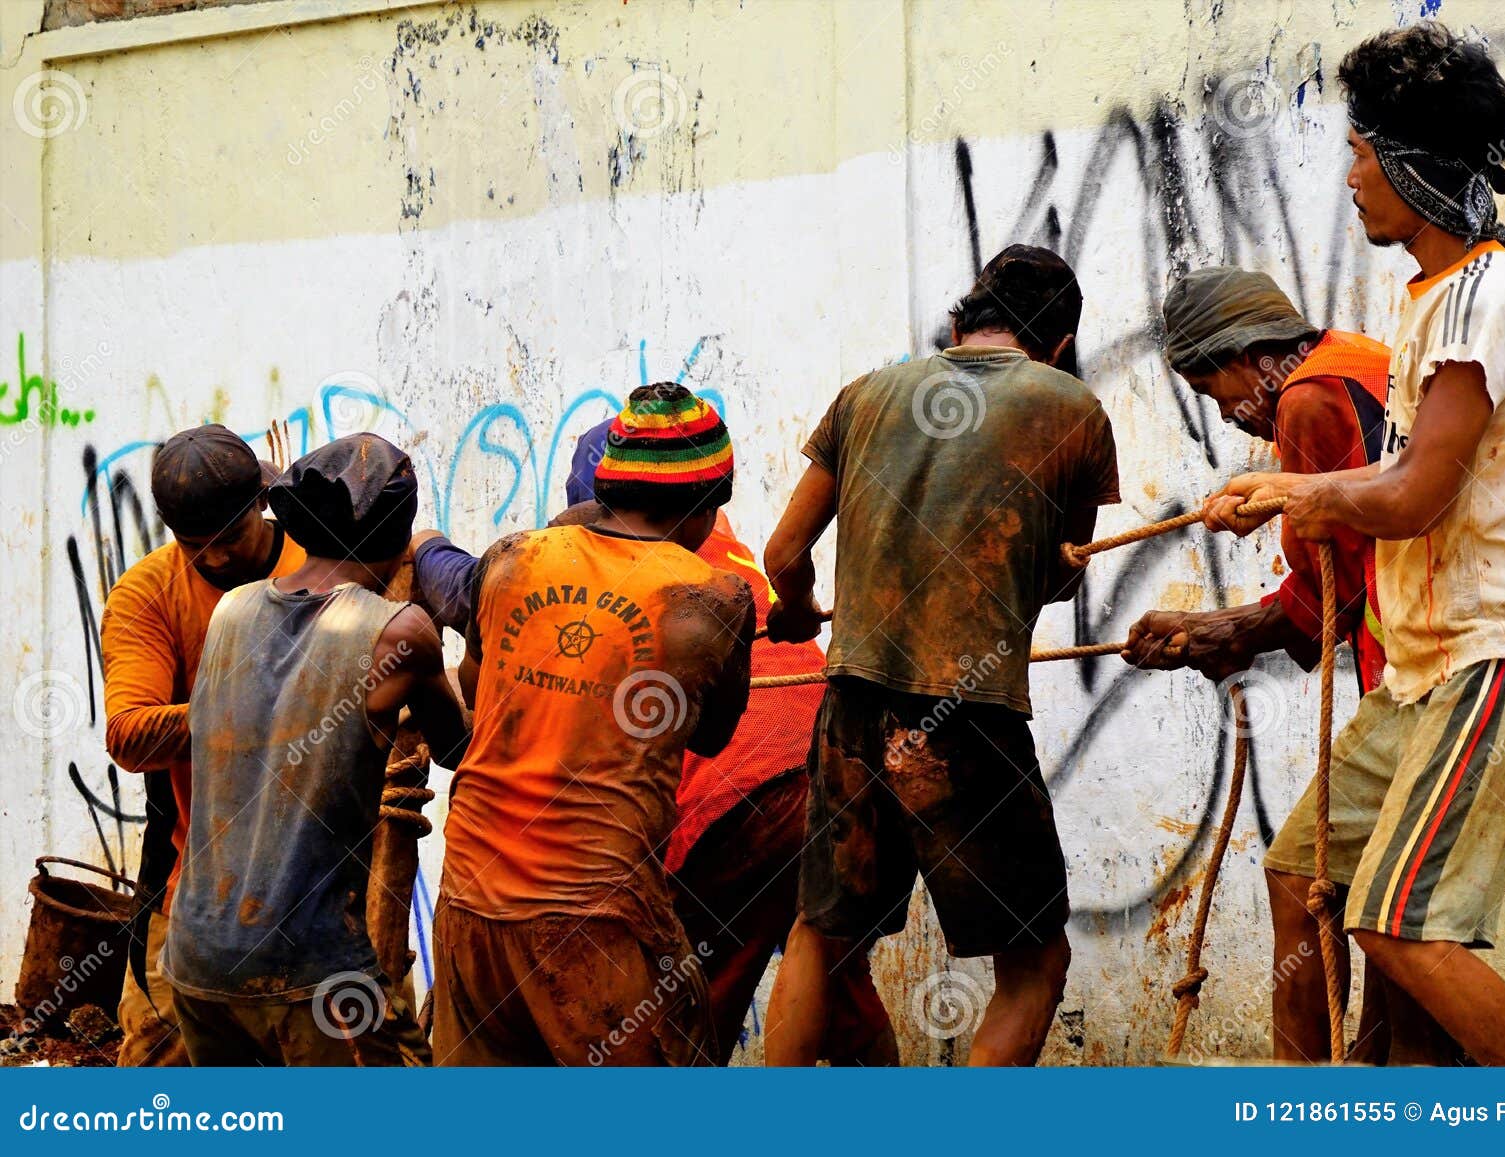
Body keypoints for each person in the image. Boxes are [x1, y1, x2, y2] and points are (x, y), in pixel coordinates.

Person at [1208, 22, 1505, 1066]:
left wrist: (1302, 495)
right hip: (1423, 670)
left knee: (1398, 925)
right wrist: (1289, 490)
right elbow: (1408, 476)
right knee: (1300, 875)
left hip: (1488, 658)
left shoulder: (1487, 299)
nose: (1351, 178)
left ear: (1412, 165)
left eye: (1360, 153)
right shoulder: (1436, 299)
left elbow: (1413, 496)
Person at [411, 419, 894, 1065]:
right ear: (705, 507)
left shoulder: (527, 562)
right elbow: (711, 728)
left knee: (691, 999)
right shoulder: (720, 572)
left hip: (691, 823)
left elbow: (463, 604)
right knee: (832, 974)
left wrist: (423, 544)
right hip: (828, 779)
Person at [762, 244, 1121, 1066]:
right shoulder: (1071, 407)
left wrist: (797, 607)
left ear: (961, 323)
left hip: (851, 706)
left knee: (822, 934)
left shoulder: (866, 394)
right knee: (1035, 962)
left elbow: (784, 553)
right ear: (1060, 343)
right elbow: (1061, 575)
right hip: (970, 717)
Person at [428, 384, 755, 1066]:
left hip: (469, 896)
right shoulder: (713, 597)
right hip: (594, 915)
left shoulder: (512, 557)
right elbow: (710, 735)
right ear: (708, 506)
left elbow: (478, 690)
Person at [160, 434, 467, 1066]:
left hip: (195, 956)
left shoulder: (232, 610)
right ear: (399, 540)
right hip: (308, 969)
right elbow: (458, 747)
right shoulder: (399, 631)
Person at [102, 424, 307, 1067]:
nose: (215, 559)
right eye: (196, 546)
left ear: (261, 504)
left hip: (322, 894)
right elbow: (129, 736)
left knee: (358, 1092)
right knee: (156, 1083)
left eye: (231, 537)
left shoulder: (322, 564)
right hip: (193, 886)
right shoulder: (149, 595)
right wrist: (251, 706)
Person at [1123, 267, 1389, 690]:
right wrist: (1217, 628)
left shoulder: (1307, 400)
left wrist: (1227, 632)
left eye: (1210, 389)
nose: (1225, 415)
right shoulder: (1354, 353)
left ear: (1245, 357)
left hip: (1419, 655)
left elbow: (1335, 588)